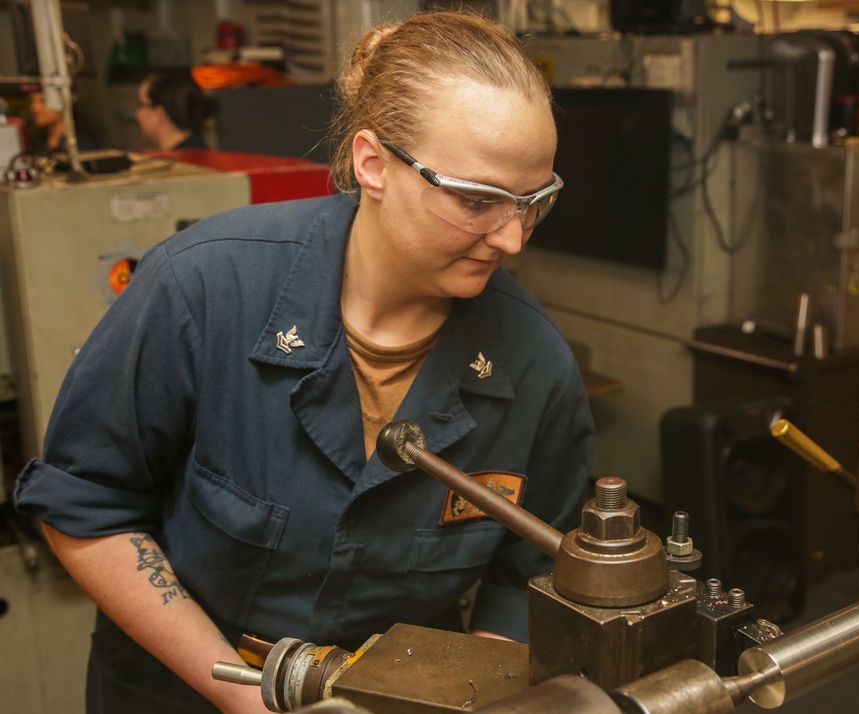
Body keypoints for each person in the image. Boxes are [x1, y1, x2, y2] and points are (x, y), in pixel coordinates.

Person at [14, 11, 593, 714]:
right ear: (373, 164)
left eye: (535, 203)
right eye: (478, 201)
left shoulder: (535, 367)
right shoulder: (203, 290)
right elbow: (85, 506)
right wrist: (241, 695)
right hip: (183, 690)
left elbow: (528, 581)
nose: (512, 238)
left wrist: (466, 693)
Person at [136, 71, 216, 150]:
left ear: (160, 114)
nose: (138, 116)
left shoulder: (176, 162)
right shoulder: (202, 153)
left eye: (141, 105)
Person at [27, 89, 98, 152]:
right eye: (32, 101)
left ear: (63, 103)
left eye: (44, 101)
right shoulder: (37, 142)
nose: (34, 108)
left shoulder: (80, 145)